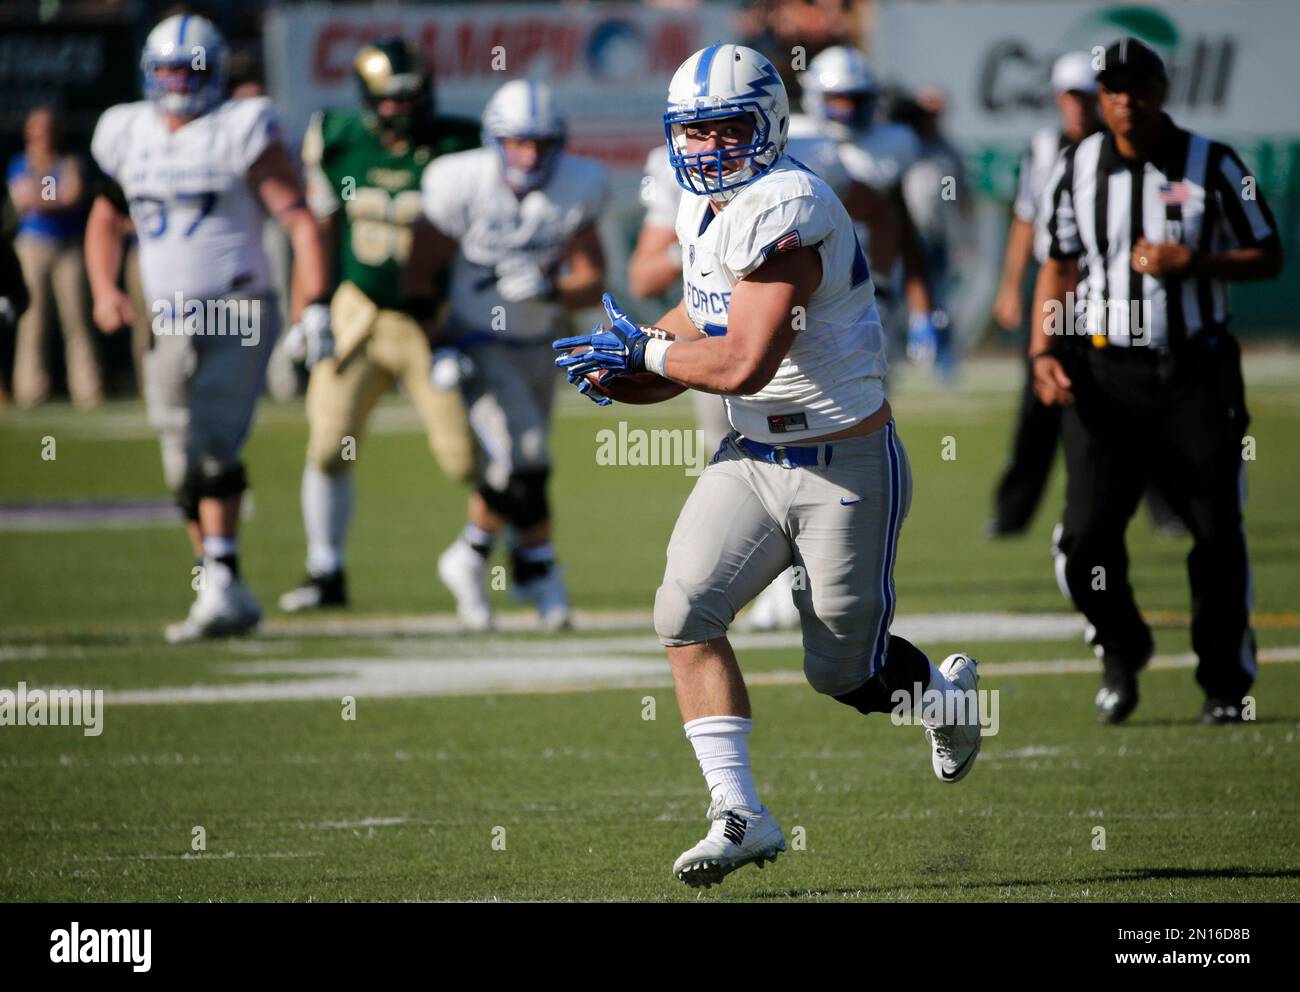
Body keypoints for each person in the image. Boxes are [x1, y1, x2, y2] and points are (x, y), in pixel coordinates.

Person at [556, 44, 983, 888]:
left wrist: (647, 349)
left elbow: (743, 359)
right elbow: (696, 322)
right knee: (684, 609)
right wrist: (628, 369)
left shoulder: (789, 203)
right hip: (750, 455)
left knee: (842, 674)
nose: (708, 147)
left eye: (725, 128)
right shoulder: (701, 208)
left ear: (770, 125)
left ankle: (940, 696)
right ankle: (739, 813)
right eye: (693, 130)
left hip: (841, 463)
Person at [1032, 38, 1282, 725]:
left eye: (1135, 86)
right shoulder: (1075, 167)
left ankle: (1225, 684)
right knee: (1085, 540)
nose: (1123, 101)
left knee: (1215, 531)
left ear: (1160, 89)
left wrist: (1194, 260)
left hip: (1194, 375)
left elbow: (1270, 254)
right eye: (1110, 89)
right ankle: (1123, 646)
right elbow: (1056, 264)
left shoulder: (1215, 164)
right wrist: (1042, 350)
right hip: (1104, 372)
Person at [85, 13, 330, 642]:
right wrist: (107, 288)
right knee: (179, 463)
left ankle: (218, 582)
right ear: (148, 72)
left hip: (239, 309)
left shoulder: (239, 128)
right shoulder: (128, 133)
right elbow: (108, 220)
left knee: (214, 442)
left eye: (189, 70)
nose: (178, 82)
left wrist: (314, 305)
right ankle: (222, 581)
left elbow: (300, 220)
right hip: (165, 315)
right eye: (167, 69)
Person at [278, 37, 479, 612]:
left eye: (410, 97)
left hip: (429, 323)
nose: (401, 109)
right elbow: (316, 230)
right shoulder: (338, 138)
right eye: (389, 100)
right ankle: (326, 570)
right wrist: (309, 307)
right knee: (327, 445)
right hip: (358, 313)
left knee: (463, 457)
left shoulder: (458, 145)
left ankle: (509, 549)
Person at [407, 79, 608, 631]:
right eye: (518, 142)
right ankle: (539, 571)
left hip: (538, 340)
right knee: (528, 454)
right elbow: (418, 272)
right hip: (478, 339)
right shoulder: (460, 181)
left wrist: (550, 291)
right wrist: (437, 341)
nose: (530, 155)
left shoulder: (578, 184)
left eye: (541, 143)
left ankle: (471, 558)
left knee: (519, 463)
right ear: (494, 140)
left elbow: (593, 279)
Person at [799, 46, 940, 369]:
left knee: (867, 395)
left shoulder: (893, 144)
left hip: (869, 291)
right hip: (803, 290)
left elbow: (905, 231)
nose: (846, 110)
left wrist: (922, 311)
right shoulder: (794, 138)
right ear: (814, 95)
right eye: (837, 100)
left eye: (855, 100)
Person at [8, 107, 101, 408]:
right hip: (32, 247)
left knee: (76, 320)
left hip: (67, 248)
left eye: (48, 128)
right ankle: (30, 389)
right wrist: (52, 196)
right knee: (32, 321)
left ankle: (87, 389)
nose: (43, 134)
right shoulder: (20, 163)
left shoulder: (69, 162)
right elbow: (23, 198)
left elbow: (72, 195)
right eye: (37, 129)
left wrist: (45, 198)